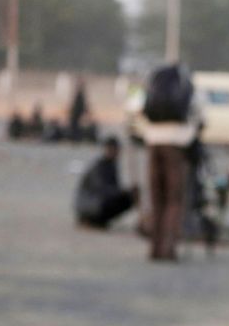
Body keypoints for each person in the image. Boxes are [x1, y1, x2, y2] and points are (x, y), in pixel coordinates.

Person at [142, 64, 200, 262]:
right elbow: (199, 116)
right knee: (174, 200)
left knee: (157, 198)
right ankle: (169, 248)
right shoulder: (185, 85)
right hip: (176, 144)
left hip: (153, 142)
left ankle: (155, 247)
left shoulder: (156, 85)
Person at [74, 136, 137, 228]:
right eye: (111, 149)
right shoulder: (99, 167)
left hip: (98, 202)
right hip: (90, 206)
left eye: (115, 149)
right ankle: (90, 220)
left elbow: (114, 188)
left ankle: (100, 220)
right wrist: (123, 192)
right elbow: (102, 189)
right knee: (126, 196)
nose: (114, 152)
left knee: (131, 196)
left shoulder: (112, 166)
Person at [69, 77, 89, 142]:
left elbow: (81, 106)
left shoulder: (80, 95)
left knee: (76, 128)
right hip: (76, 115)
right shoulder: (79, 94)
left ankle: (76, 138)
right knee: (75, 128)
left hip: (77, 115)